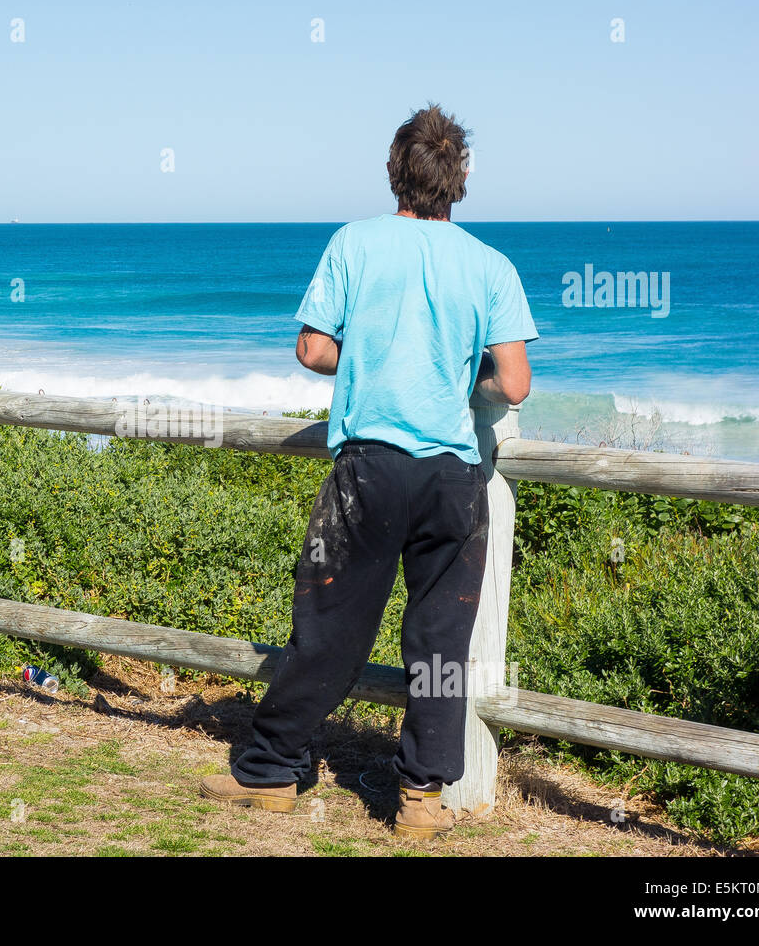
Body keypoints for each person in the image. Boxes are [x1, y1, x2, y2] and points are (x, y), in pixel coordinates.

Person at [200, 104, 538, 840]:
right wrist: (461, 374)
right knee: (441, 643)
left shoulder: (353, 244)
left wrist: (375, 356)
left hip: (371, 470)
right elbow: (513, 384)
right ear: (463, 176)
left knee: (330, 626)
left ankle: (272, 773)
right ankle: (419, 802)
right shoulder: (491, 266)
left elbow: (313, 350)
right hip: (454, 478)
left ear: (394, 170)